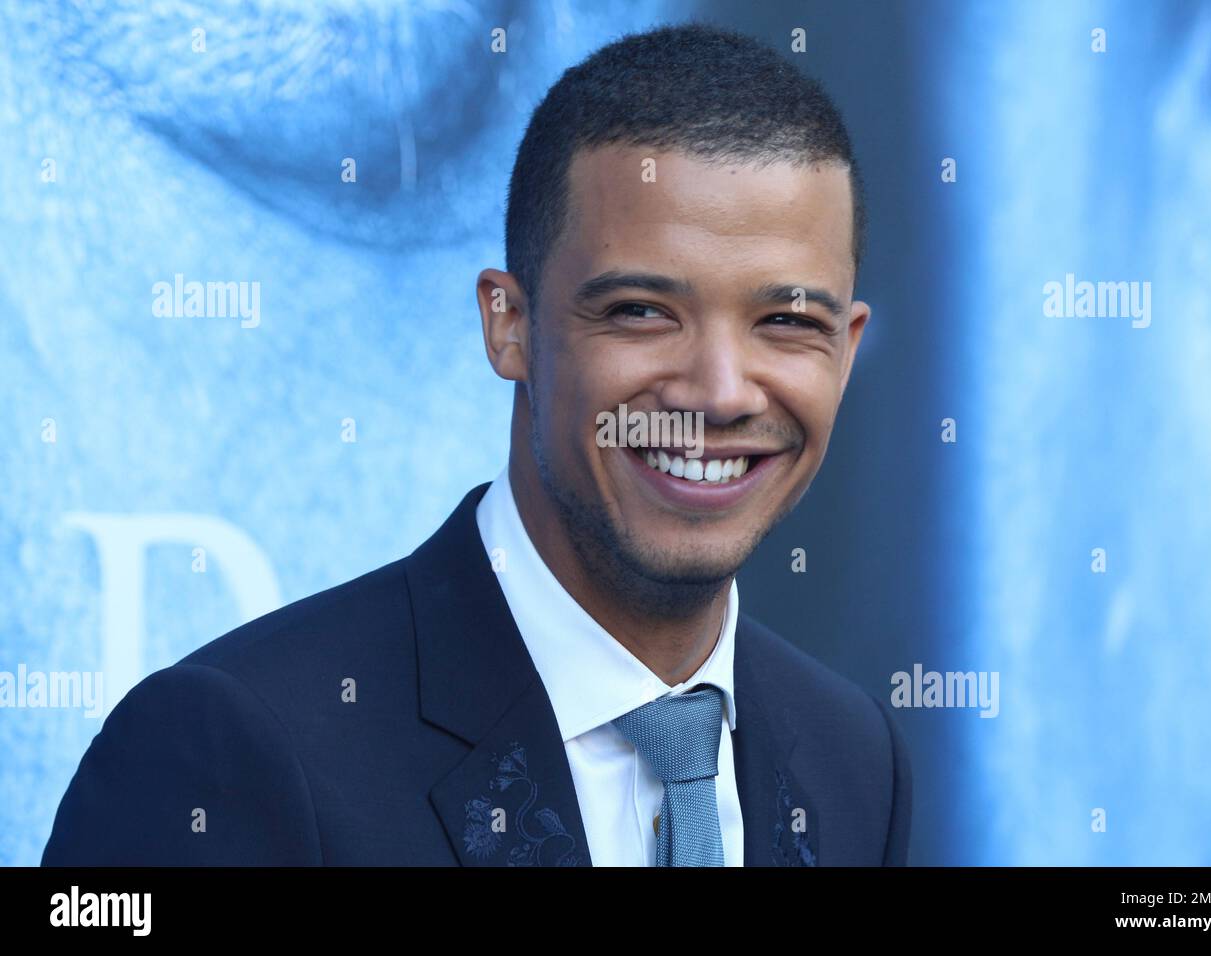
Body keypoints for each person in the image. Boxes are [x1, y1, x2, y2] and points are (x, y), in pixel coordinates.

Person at [42, 21, 911, 867]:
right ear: (509, 325)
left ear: (847, 349)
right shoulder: (232, 753)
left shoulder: (854, 760)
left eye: (787, 321)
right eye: (641, 312)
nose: (719, 392)